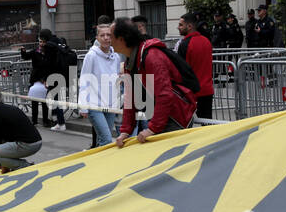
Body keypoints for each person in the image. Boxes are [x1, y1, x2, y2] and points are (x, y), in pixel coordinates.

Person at [111, 18, 196, 146]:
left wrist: (152, 128)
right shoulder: (131, 61)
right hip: (159, 116)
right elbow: (130, 99)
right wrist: (126, 131)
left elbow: (164, 95)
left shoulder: (152, 56)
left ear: (121, 39)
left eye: (111, 36)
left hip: (176, 118)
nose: (108, 40)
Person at [79, 21, 124, 146]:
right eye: (102, 35)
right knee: (106, 139)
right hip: (94, 105)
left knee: (104, 139)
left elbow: (115, 80)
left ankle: (98, 161)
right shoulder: (91, 56)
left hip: (110, 104)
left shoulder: (115, 57)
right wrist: (83, 106)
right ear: (97, 38)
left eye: (109, 35)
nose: (106, 38)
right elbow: (84, 79)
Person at [0, 86, 41, 172]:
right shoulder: (11, 108)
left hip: (27, 144)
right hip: (36, 141)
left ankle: (24, 166)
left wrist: (2, 164)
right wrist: (5, 163)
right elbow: (7, 142)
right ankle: (20, 165)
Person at [20, 30, 65, 130]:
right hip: (36, 79)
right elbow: (26, 56)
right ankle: (34, 120)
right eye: (40, 42)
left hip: (46, 79)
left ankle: (46, 120)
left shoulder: (49, 52)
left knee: (45, 101)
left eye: (43, 42)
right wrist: (23, 52)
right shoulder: (35, 52)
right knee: (34, 100)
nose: (41, 44)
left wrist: (45, 79)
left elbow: (49, 66)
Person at [175, 13, 215, 121]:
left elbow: (180, 70)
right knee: (207, 123)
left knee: (187, 124)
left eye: (181, 25)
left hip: (191, 92)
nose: (178, 27)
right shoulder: (206, 41)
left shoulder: (184, 44)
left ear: (189, 26)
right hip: (207, 89)